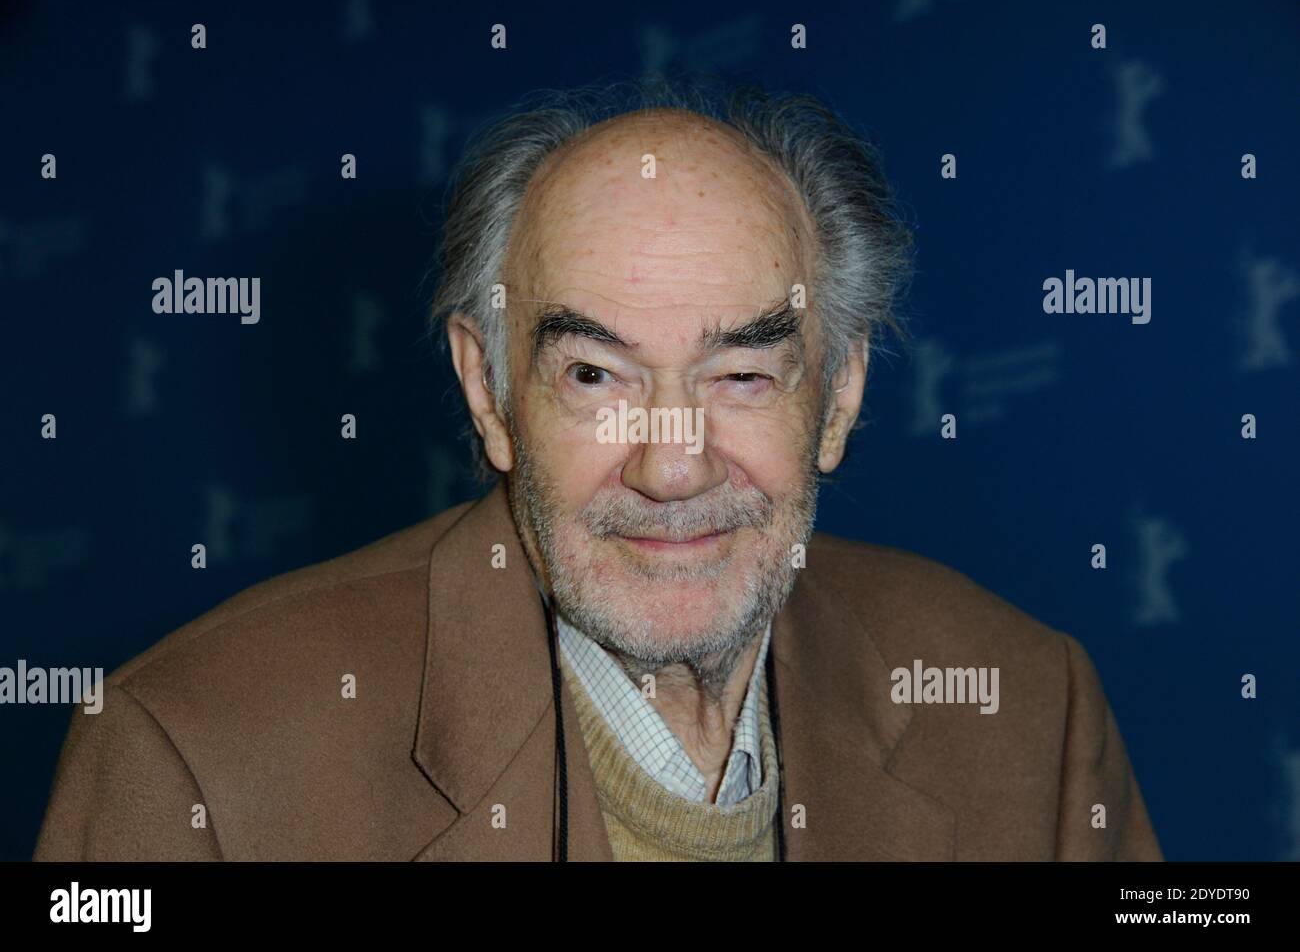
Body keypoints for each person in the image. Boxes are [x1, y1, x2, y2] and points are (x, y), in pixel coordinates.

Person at [35, 78, 1161, 861]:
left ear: (842, 390)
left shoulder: (1030, 709)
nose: (673, 467)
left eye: (741, 377)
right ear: (490, 391)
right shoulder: (194, 757)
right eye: (594, 376)